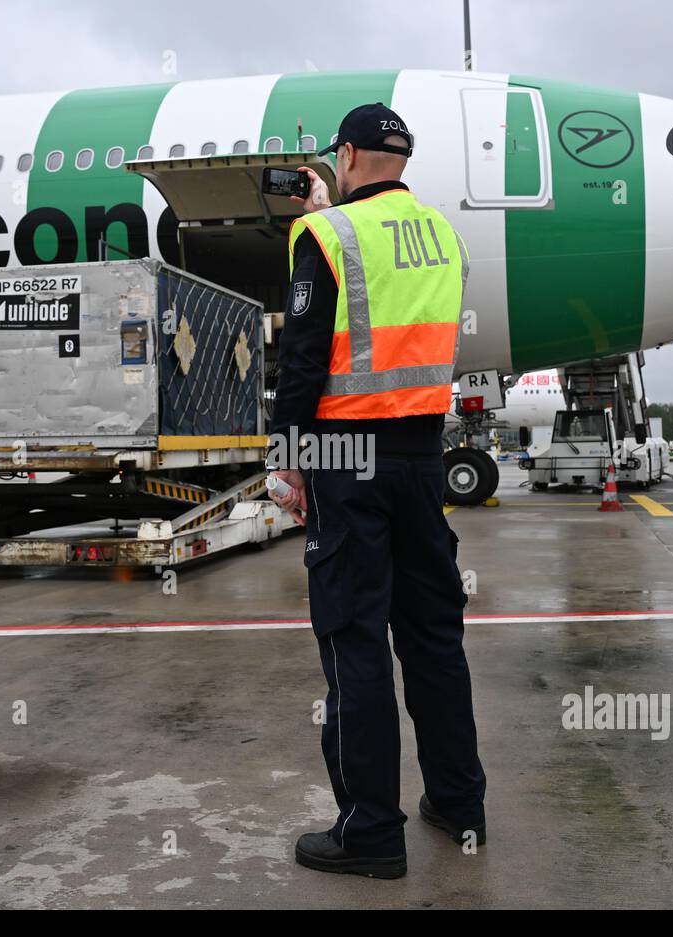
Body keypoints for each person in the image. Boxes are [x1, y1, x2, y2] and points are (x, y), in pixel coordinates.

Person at [266, 103, 486, 879]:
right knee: (433, 638)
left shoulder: (323, 237)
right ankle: (460, 805)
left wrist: (285, 456)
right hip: (422, 455)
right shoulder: (443, 237)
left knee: (355, 642)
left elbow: (304, 358)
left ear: (347, 154)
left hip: (343, 453)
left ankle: (371, 834)